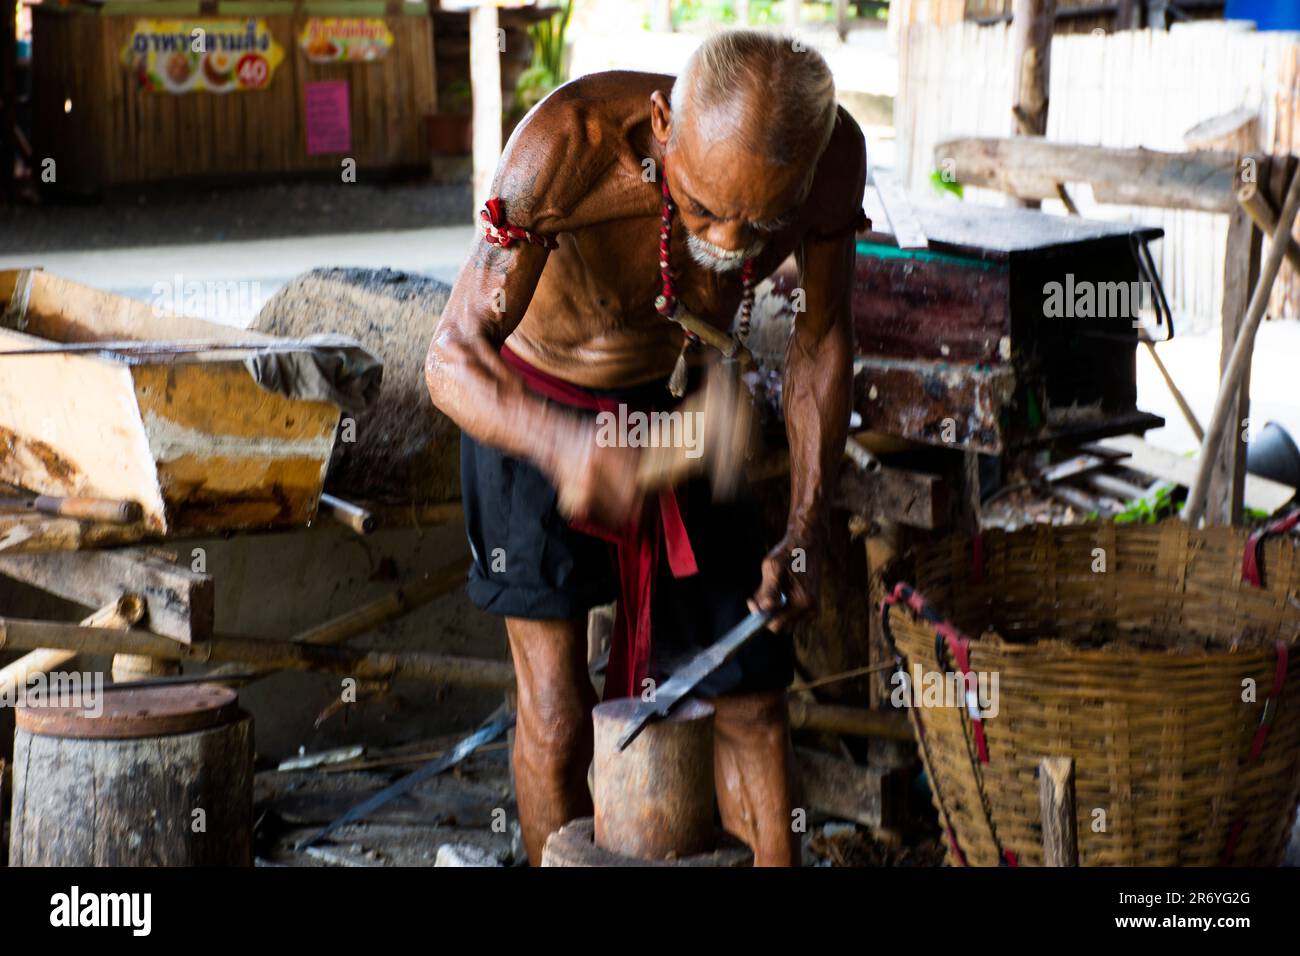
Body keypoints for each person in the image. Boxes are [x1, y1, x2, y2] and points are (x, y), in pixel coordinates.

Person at [425, 29, 866, 866]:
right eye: (700, 209)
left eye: (763, 221)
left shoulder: (835, 156)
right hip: (533, 401)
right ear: (660, 127)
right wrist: (562, 447)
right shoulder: (572, 146)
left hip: (687, 406)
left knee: (750, 699)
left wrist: (806, 528)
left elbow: (822, 342)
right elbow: (450, 361)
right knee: (558, 717)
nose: (731, 247)